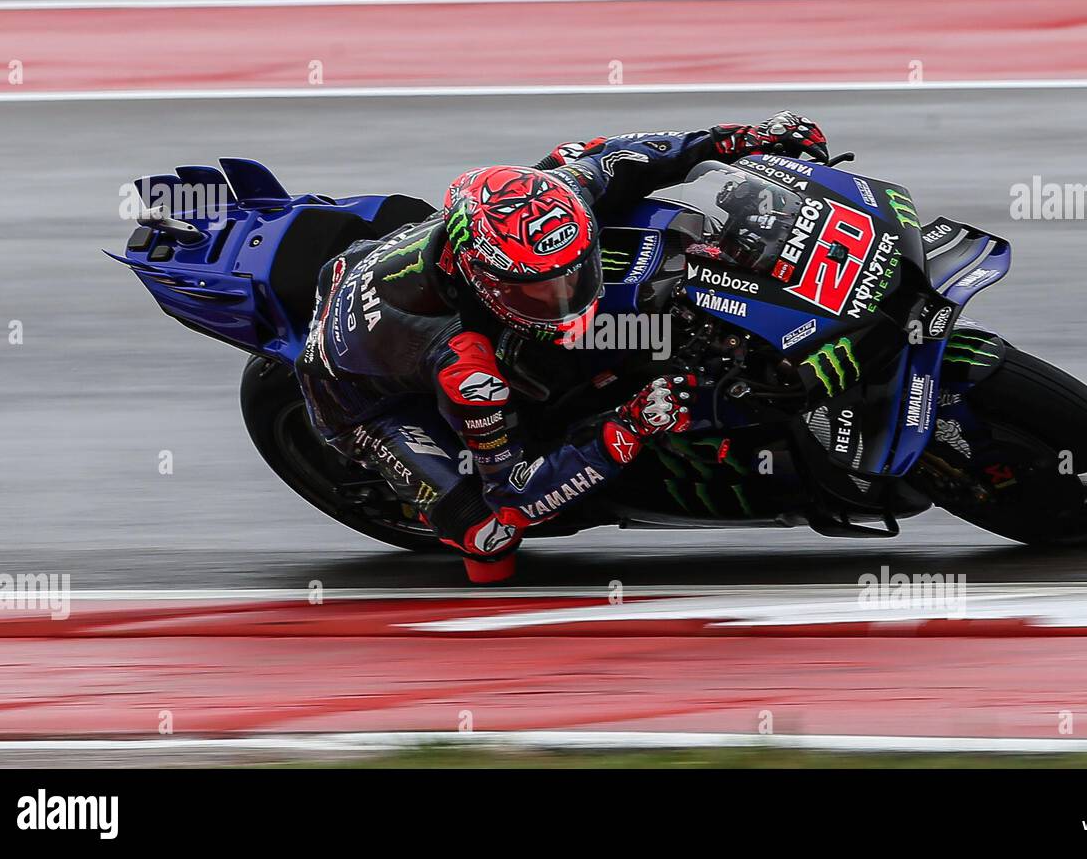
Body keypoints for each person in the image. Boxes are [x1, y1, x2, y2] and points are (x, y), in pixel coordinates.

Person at [295, 112, 828, 581]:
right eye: (539, 290)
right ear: (485, 281)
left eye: (572, 275)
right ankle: (440, 502)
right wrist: (635, 423)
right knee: (490, 540)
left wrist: (740, 139)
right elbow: (517, 498)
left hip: (376, 263)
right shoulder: (465, 369)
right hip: (355, 395)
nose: (564, 296)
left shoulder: (551, 196)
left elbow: (629, 155)